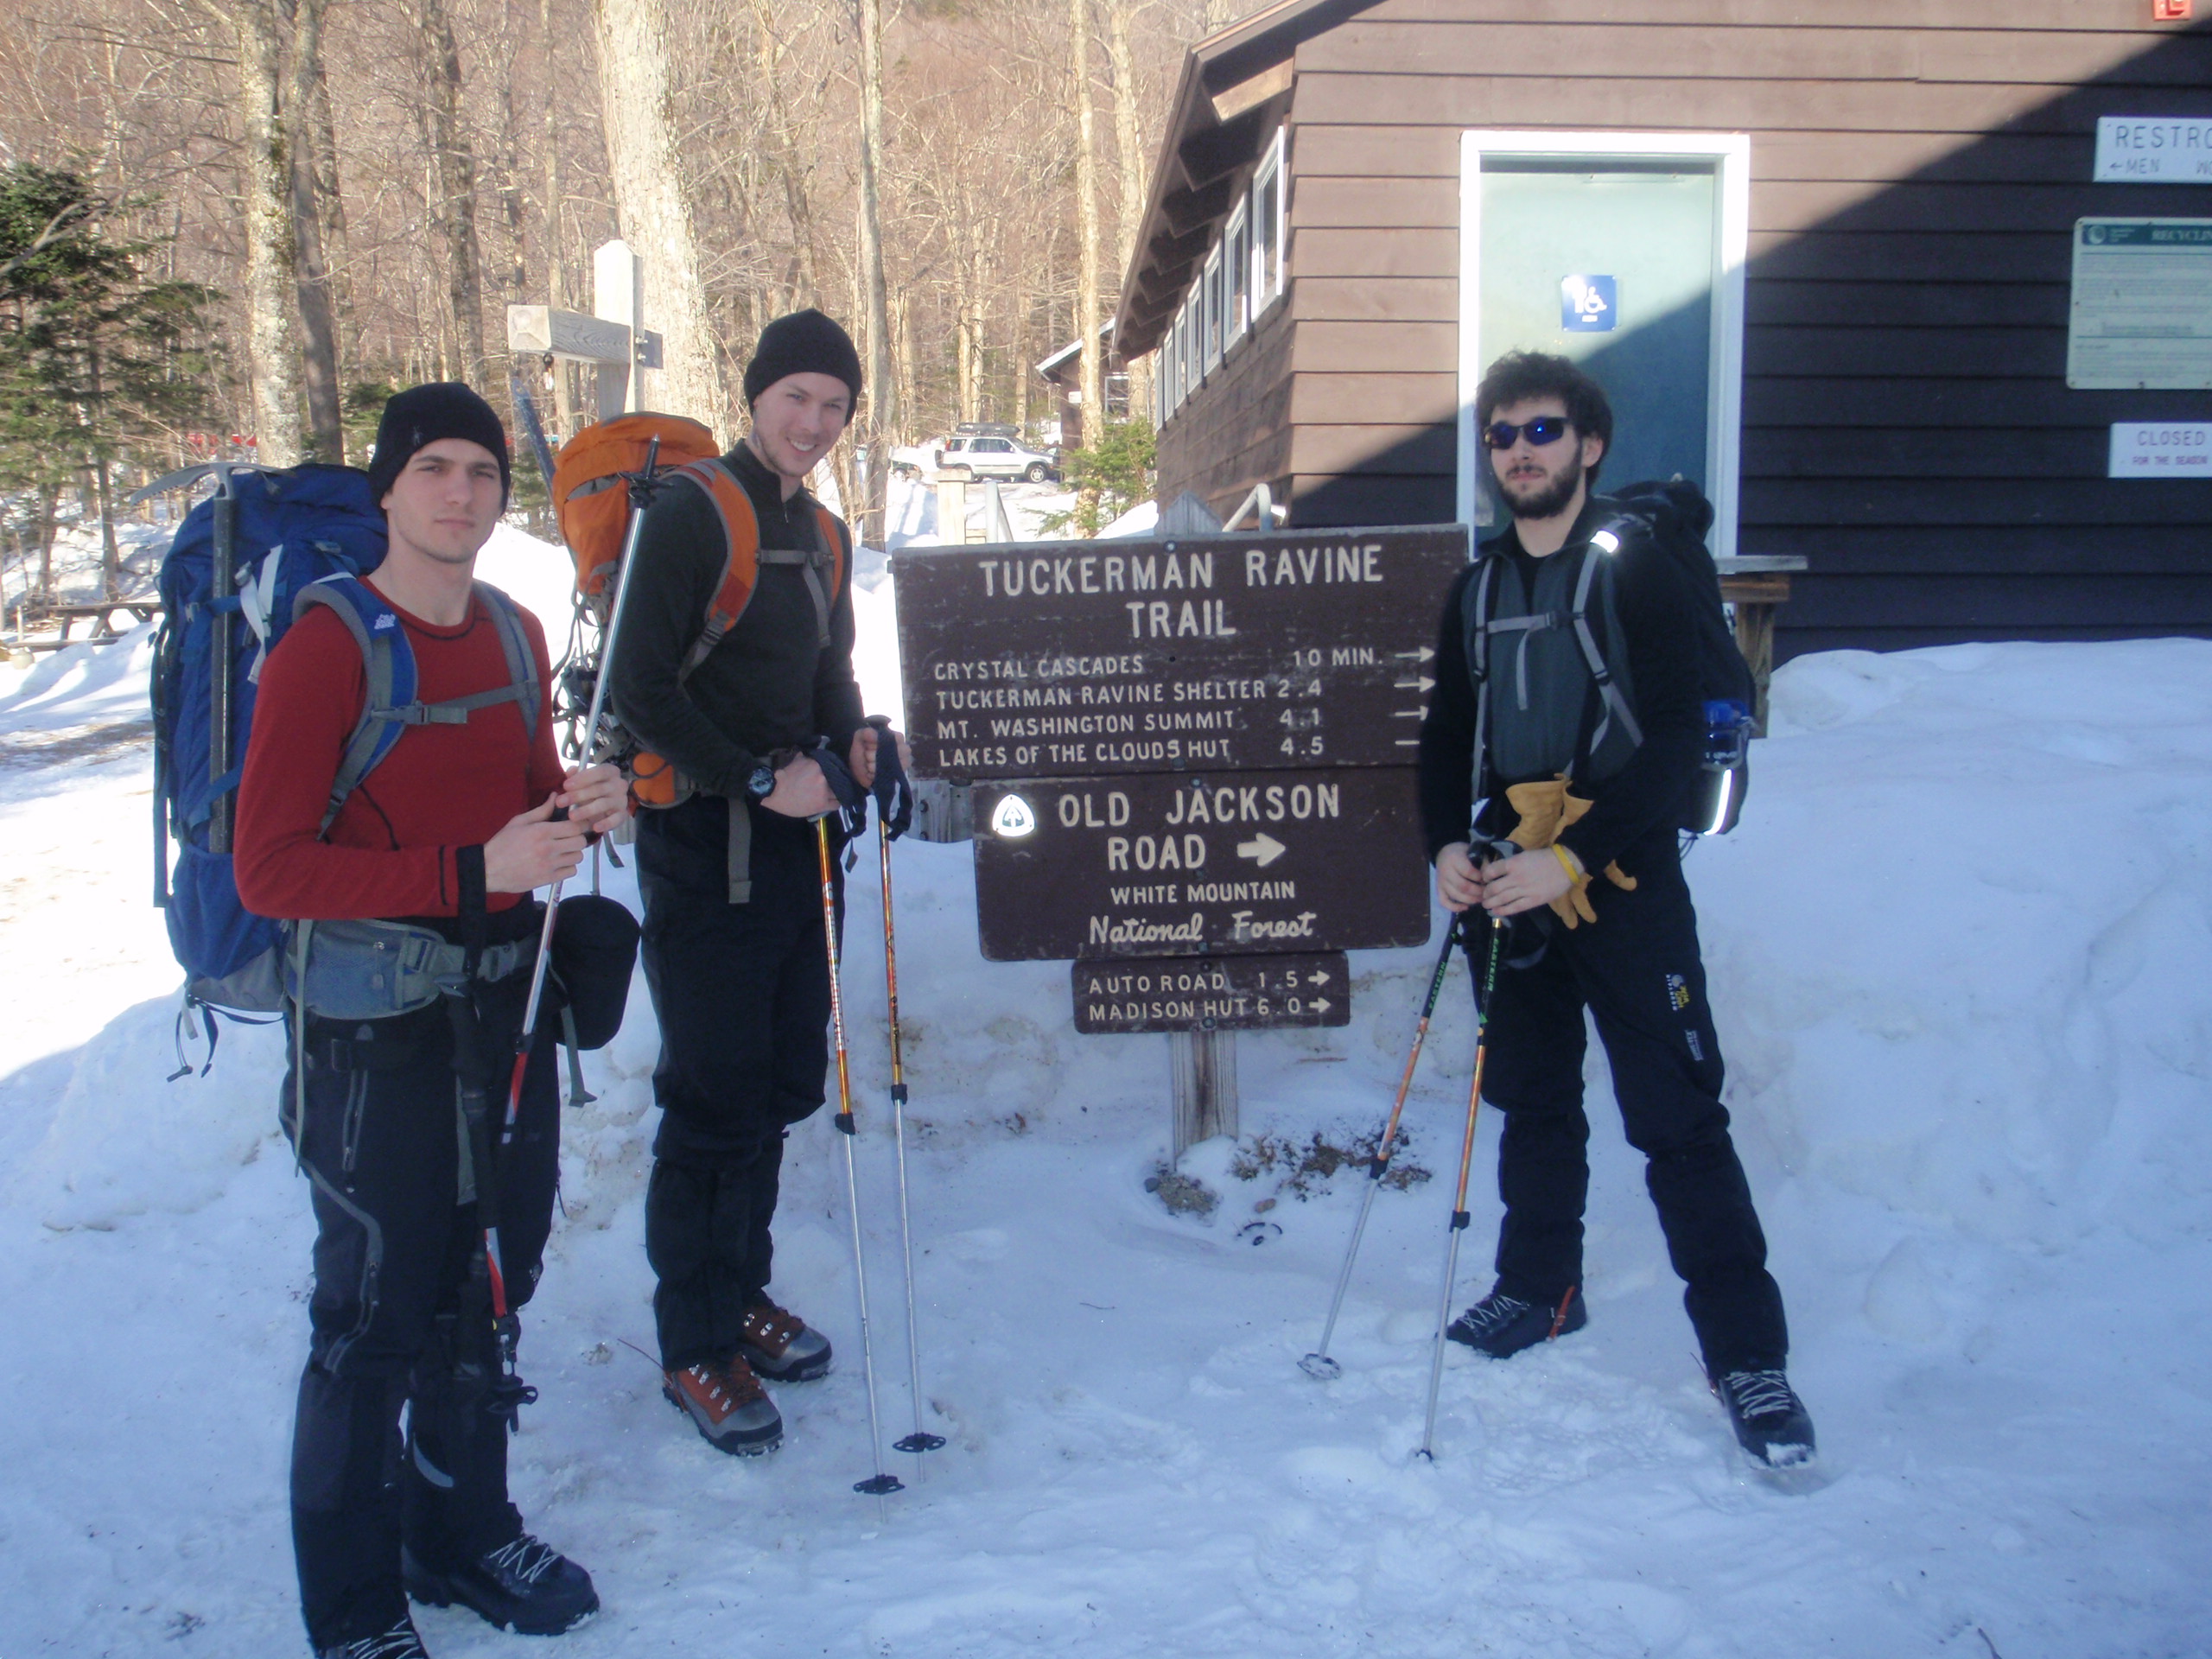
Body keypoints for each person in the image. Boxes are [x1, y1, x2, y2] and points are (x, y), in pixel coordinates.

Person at [237, 384, 630, 1657]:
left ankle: (462, 1533)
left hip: (501, 1009)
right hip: (372, 1039)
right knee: (370, 1323)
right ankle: (354, 1611)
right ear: (388, 489)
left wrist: (578, 810)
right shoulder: (329, 648)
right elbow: (271, 871)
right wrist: (468, 874)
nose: (461, 493)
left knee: (486, 1286)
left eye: (482, 473)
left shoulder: (514, 636)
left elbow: (520, 814)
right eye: (435, 469)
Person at [1415, 351, 1816, 1471]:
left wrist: (1575, 856)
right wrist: (1446, 844)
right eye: (1501, 436)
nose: (1520, 453)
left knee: (1678, 1119)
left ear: (1589, 446)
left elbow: (1679, 742)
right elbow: (1449, 733)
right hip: (1508, 874)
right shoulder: (1481, 585)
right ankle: (1541, 1290)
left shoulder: (1633, 568)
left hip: (1625, 885)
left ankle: (1749, 1359)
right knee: (1535, 1099)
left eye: (1543, 431)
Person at [609, 308, 906, 1457]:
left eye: (835, 406)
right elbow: (642, 686)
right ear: (756, 397)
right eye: (798, 399)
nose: (815, 423)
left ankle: (741, 1295)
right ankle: (693, 1339)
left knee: (780, 1078)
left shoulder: (823, 533)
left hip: (794, 849)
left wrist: (859, 741)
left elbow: (827, 671)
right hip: (701, 848)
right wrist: (748, 774)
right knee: (711, 1093)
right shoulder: (694, 513)